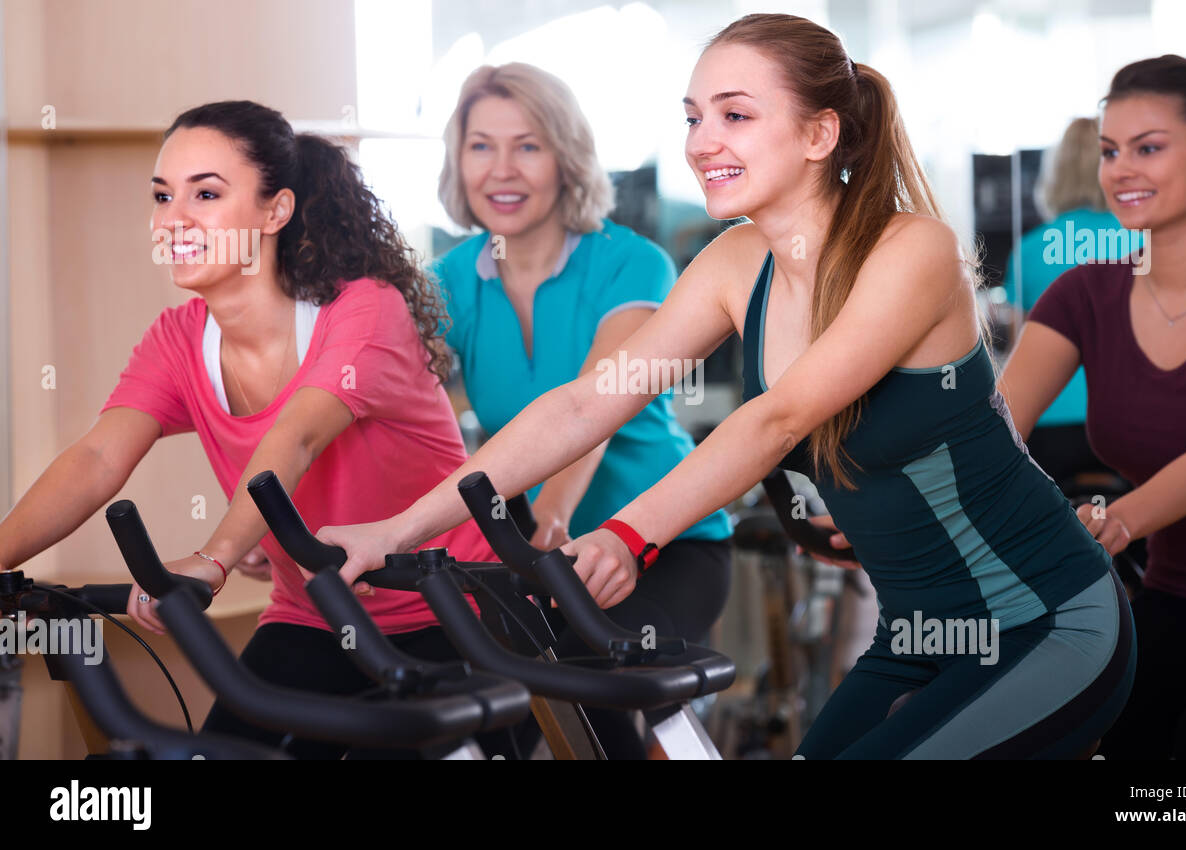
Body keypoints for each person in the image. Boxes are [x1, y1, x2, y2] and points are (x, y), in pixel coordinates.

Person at [320, 13, 1135, 759]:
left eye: (735, 115)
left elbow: (778, 419)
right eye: (692, 116)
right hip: (919, 636)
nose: (701, 140)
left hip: (1046, 618)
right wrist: (398, 530)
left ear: (821, 132)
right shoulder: (734, 266)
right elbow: (585, 402)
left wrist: (631, 533)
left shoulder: (911, 249)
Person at [0, 100, 500, 759]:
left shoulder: (363, 310)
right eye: (162, 195)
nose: (172, 218)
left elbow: (296, 438)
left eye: (205, 193)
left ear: (275, 211)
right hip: (313, 615)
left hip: (452, 613)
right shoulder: (179, 341)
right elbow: (97, 456)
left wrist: (215, 558)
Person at [999, 55, 1186, 759]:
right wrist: (894, 500)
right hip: (1171, 596)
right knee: (1121, 745)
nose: (1121, 169)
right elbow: (993, 426)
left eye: (1148, 148)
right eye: (1109, 151)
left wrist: (1115, 520)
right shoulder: (1081, 296)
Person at [431, 63, 733, 758]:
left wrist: (554, 521)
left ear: (565, 156)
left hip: (664, 542)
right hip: (536, 555)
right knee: (486, 711)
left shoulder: (631, 262)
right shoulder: (448, 282)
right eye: (481, 146)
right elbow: (410, 416)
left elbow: (593, 408)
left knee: (592, 689)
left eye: (528, 145)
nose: (501, 169)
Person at [1005, 117, 1133, 485]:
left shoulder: (1029, 248)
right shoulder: (1144, 242)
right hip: (1126, 422)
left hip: (1046, 424)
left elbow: (1019, 346)